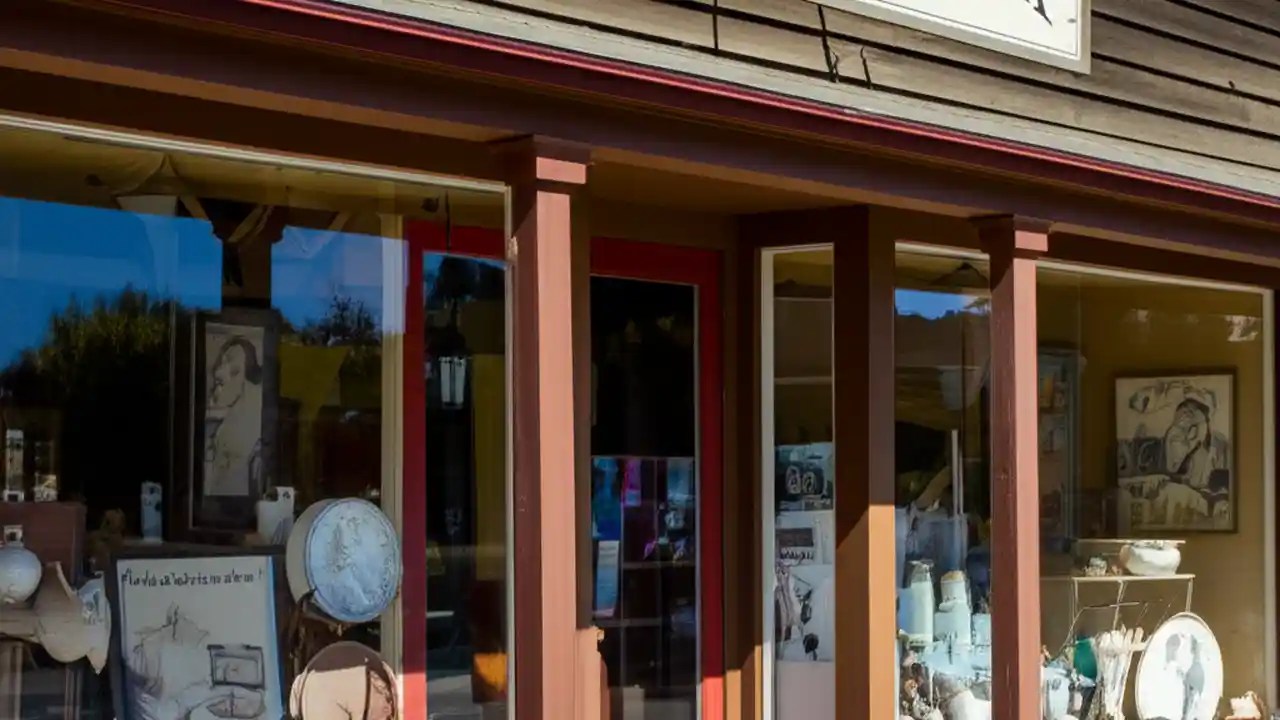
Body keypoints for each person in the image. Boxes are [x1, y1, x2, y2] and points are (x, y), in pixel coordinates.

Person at [204, 334, 264, 497]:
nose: (220, 372)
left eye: (235, 371)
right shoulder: (227, 421)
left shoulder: (249, 417)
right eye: (222, 362)